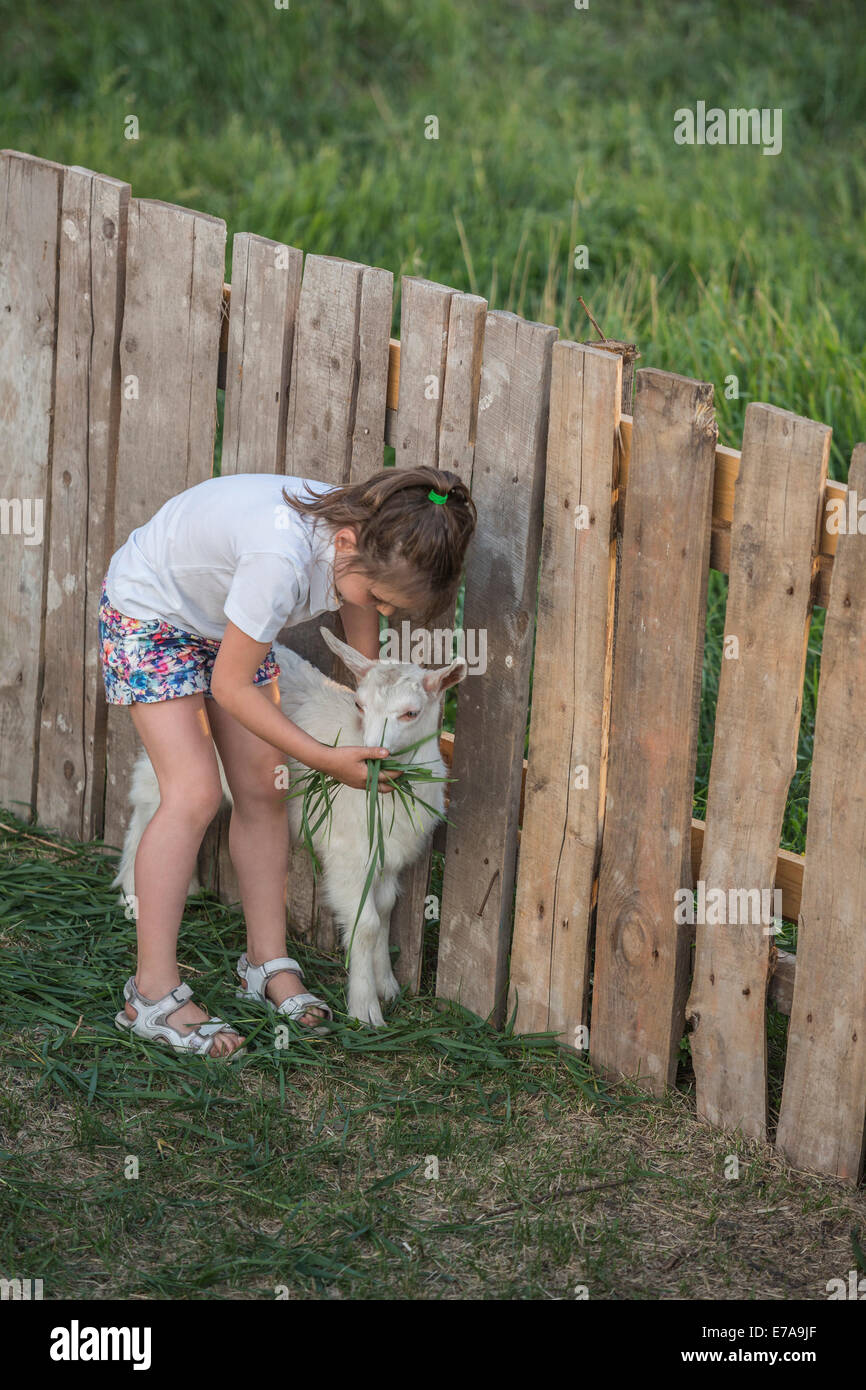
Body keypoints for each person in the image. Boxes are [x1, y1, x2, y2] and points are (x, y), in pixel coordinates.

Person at [98, 465, 477, 1057]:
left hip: (229, 623)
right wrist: (326, 758)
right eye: (378, 597)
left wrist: (365, 691)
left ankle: (265, 962)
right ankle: (151, 993)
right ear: (348, 546)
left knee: (265, 787)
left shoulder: (362, 538)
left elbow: (360, 627)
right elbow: (230, 687)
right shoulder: (279, 558)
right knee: (194, 792)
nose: (378, 606)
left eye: (390, 605)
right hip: (156, 619)